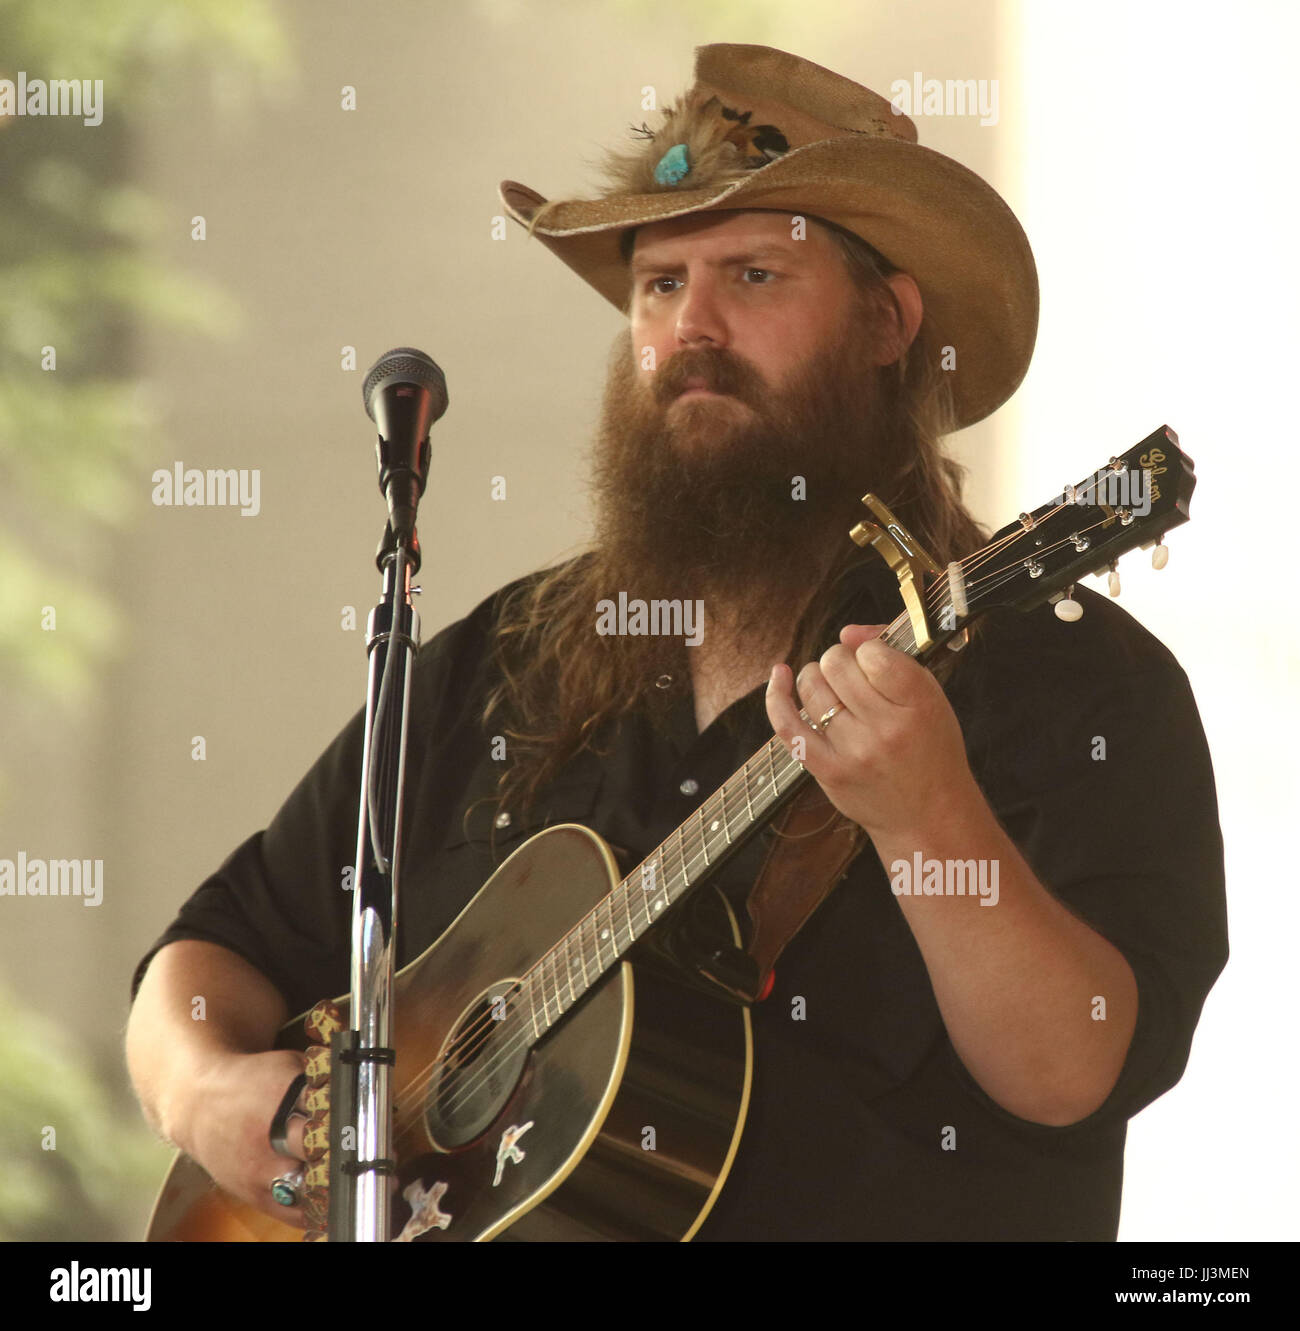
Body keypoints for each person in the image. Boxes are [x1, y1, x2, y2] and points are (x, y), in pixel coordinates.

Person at [125, 42, 1228, 1241]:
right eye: (657, 285)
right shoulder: (511, 656)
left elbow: (1075, 1070)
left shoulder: (1074, 680)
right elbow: (216, 945)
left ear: (886, 323)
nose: (689, 326)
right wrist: (209, 1094)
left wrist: (928, 822)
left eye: (753, 275)